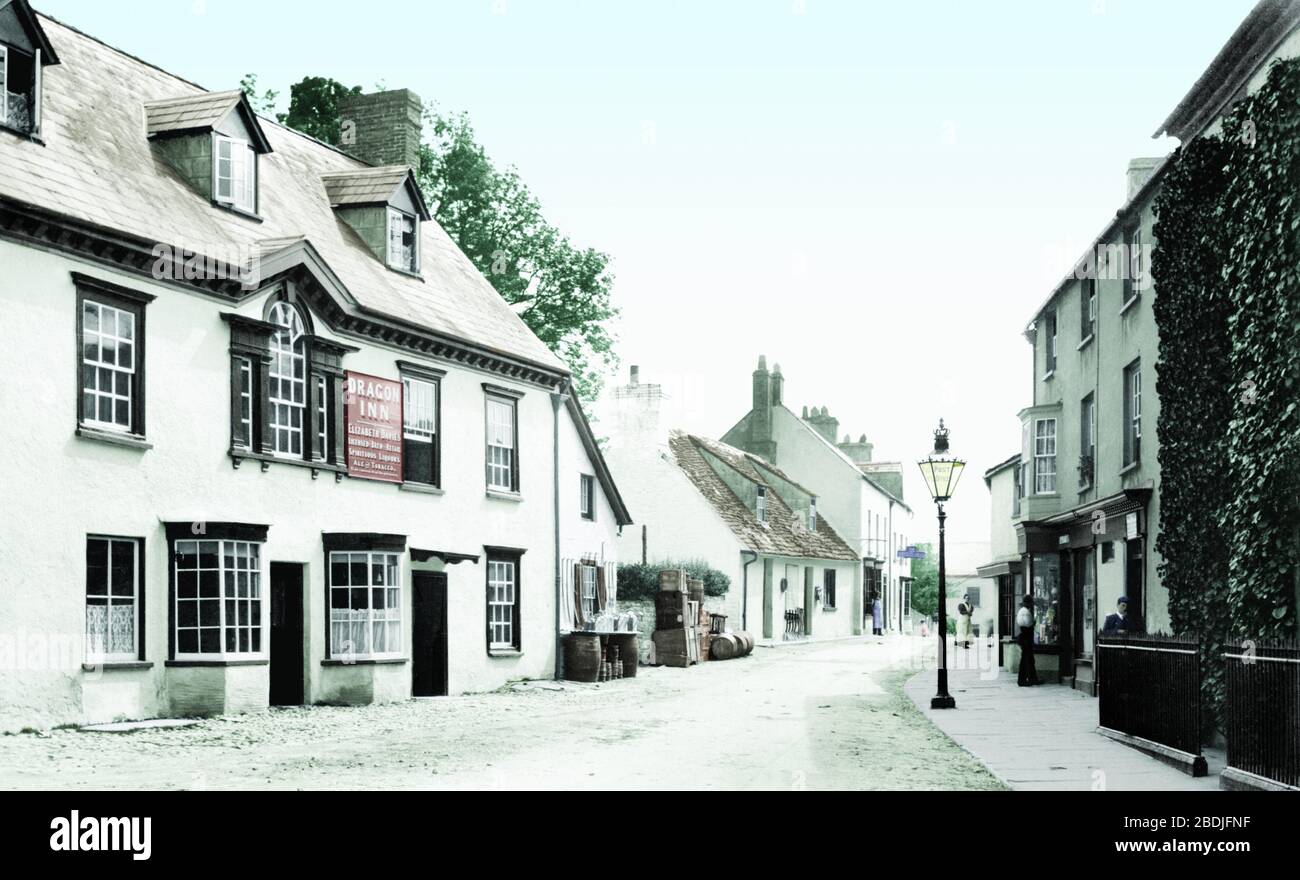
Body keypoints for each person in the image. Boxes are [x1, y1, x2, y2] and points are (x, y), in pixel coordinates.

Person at [1016, 594, 1040, 686]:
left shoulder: (1022, 611)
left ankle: (1031, 678)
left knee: (1028, 659)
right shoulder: (1025, 612)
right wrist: (1033, 623)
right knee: (1027, 659)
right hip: (1026, 636)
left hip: (1024, 636)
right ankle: (1024, 680)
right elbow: (1028, 624)